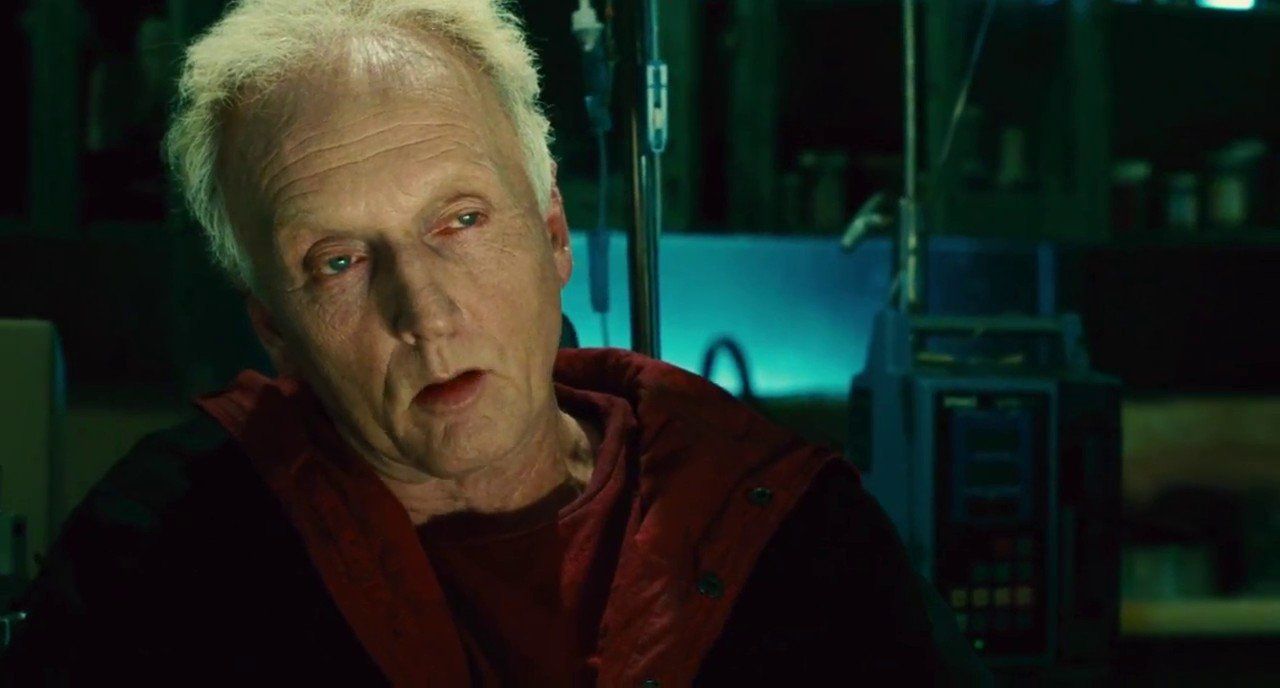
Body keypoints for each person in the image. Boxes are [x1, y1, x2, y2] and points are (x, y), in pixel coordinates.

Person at [2, 1, 986, 684]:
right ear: (274, 328)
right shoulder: (164, 559)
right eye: (338, 261)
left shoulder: (786, 532)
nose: (424, 312)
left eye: (460, 220)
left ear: (553, 234)